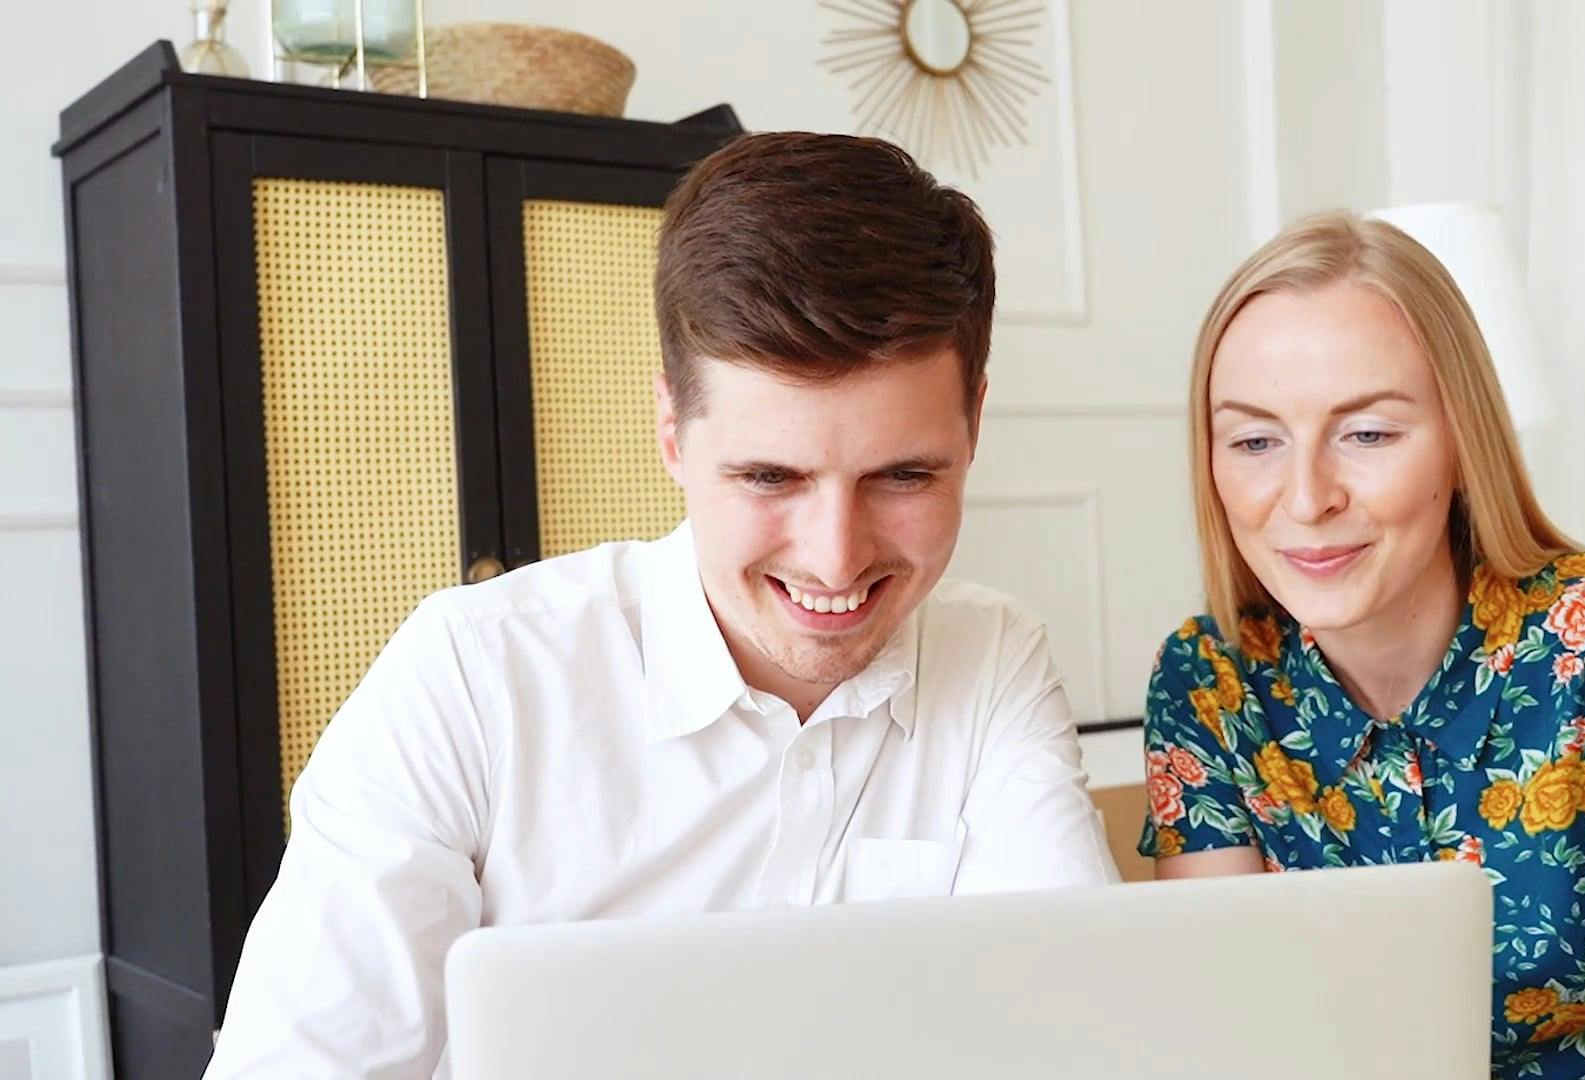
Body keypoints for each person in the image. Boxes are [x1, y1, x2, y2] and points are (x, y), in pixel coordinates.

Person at [206, 132, 1118, 1078]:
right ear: (673, 436)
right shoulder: (472, 677)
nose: (836, 557)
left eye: (904, 475)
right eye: (769, 476)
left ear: (973, 422)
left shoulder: (994, 659)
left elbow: (1072, 1035)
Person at [1139, 210, 1585, 1079]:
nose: (1305, 496)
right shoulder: (1205, 682)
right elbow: (1235, 1043)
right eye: (1255, 440)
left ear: (1459, 443)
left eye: (1366, 433)